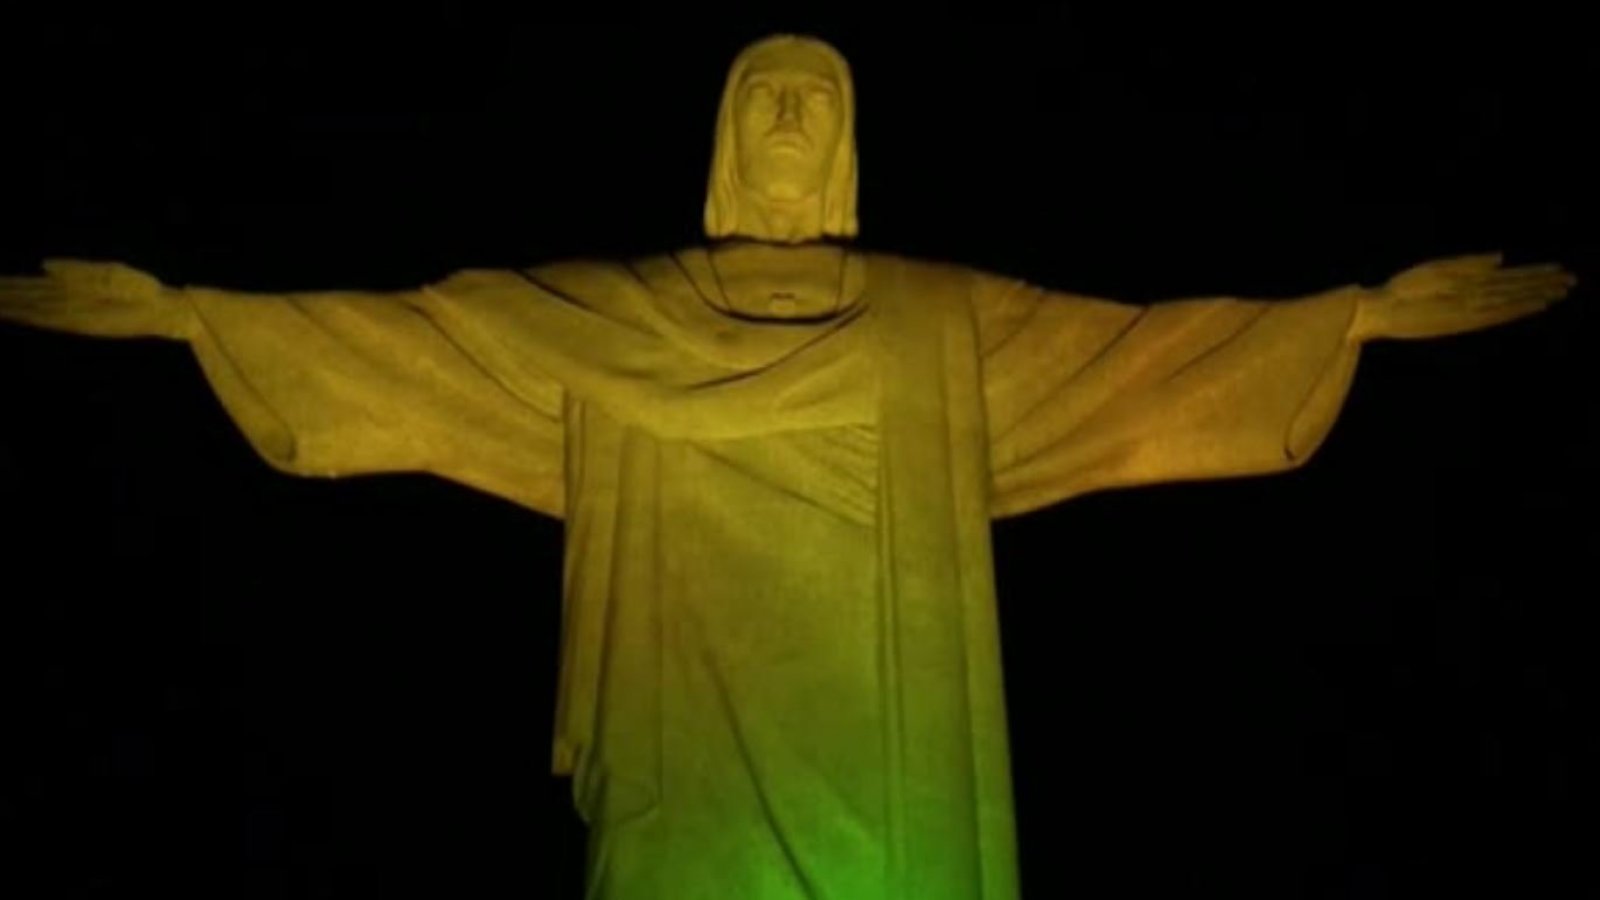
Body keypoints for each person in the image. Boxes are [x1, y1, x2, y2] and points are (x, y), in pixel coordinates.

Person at [0, 33, 1574, 900]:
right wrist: (191, 318)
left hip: (891, 764)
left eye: (813, 104)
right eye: (763, 98)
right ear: (721, 137)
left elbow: (1140, 354)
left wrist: (1353, 319)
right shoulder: (619, 315)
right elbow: (422, 344)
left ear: (844, 151)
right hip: (682, 767)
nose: (787, 119)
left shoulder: (937, 325)